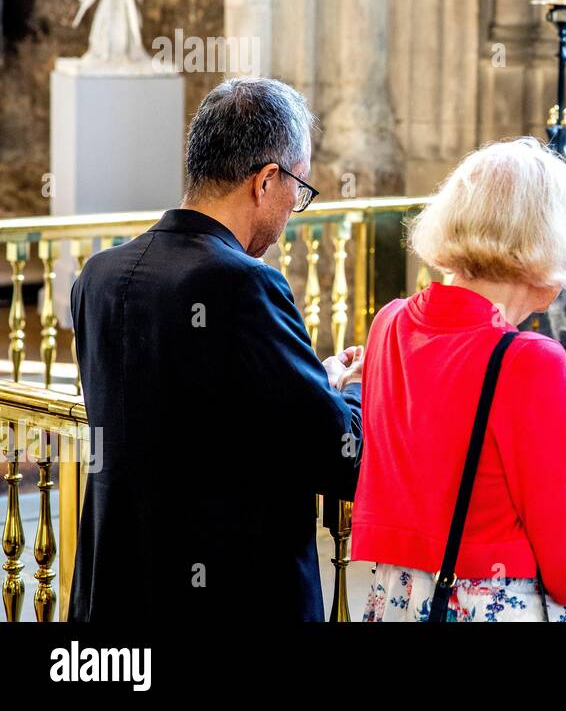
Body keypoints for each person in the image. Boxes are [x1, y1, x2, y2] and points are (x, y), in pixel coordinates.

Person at [68, 77, 364, 622]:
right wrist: (354, 390)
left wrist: (313, 381)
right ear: (267, 180)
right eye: (299, 191)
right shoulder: (243, 284)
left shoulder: (98, 277)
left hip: (114, 594)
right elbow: (337, 454)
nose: (290, 211)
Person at [352, 137, 566, 622]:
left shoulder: (389, 324)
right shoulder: (529, 359)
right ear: (542, 249)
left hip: (397, 602)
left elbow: (460, 479)